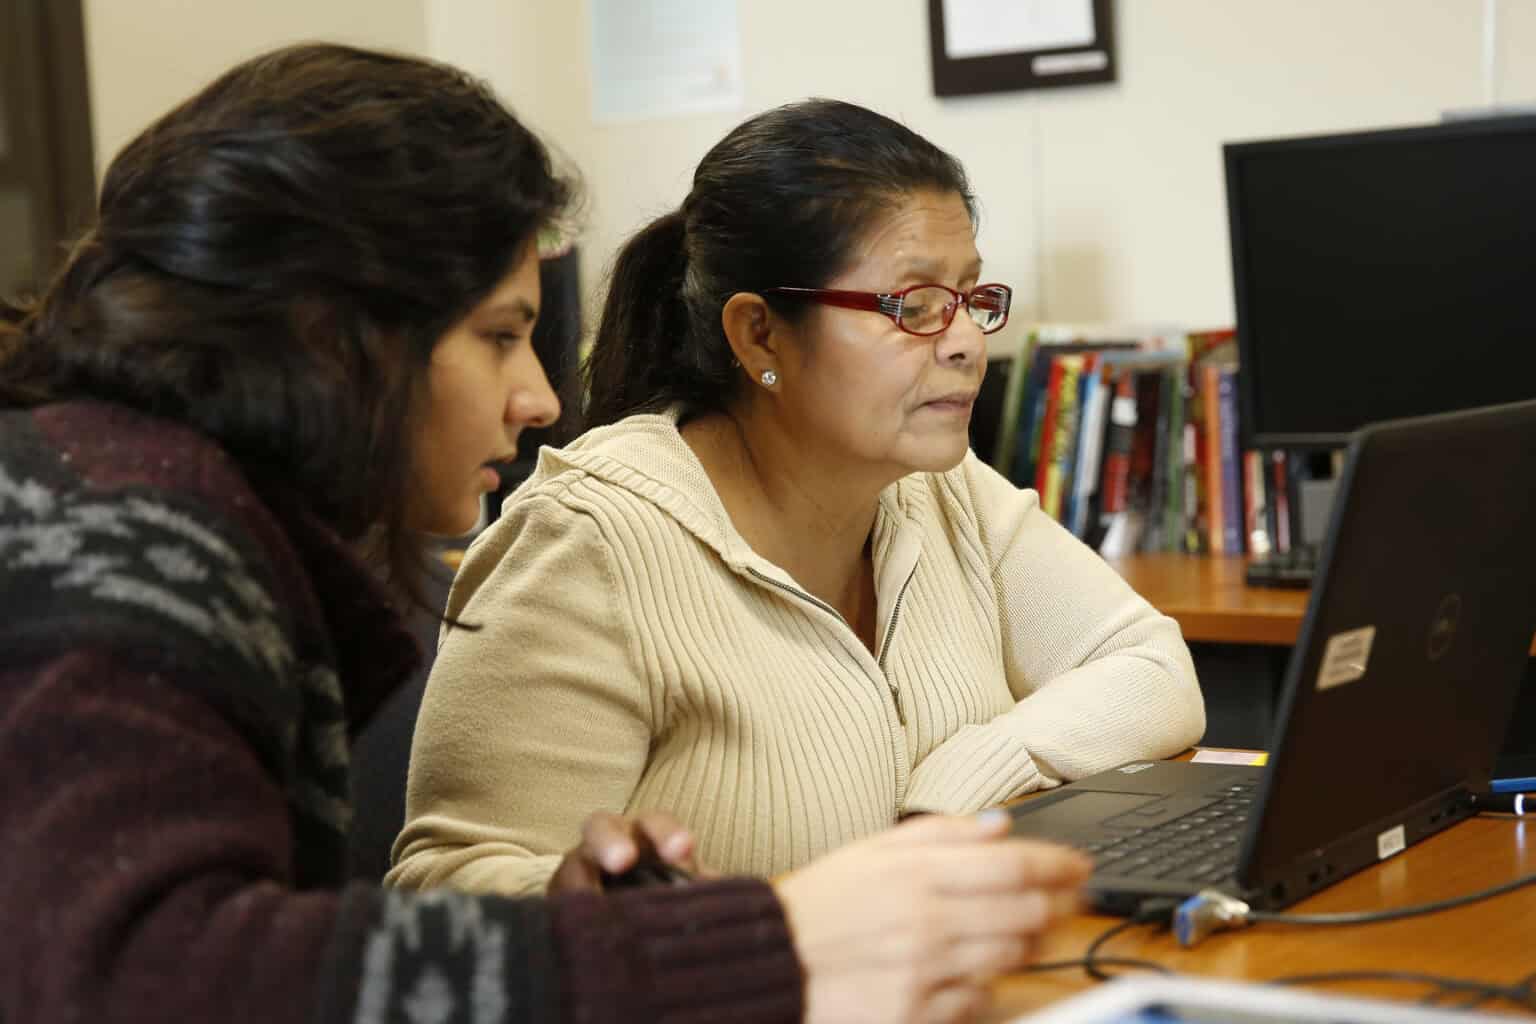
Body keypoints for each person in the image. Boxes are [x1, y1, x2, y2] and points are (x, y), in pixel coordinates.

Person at [0, 44, 1095, 1024]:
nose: (535, 399)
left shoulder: (137, 499)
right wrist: (765, 948)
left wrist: (571, 926)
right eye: (500, 336)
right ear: (337, 339)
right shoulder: (122, 545)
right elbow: (133, 976)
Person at [391, 99, 1206, 897]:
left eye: (970, 298)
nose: (963, 342)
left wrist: (951, 791)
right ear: (760, 335)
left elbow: (1153, 669)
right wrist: (612, 912)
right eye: (913, 306)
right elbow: (447, 891)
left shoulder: (940, 488)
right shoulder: (590, 543)